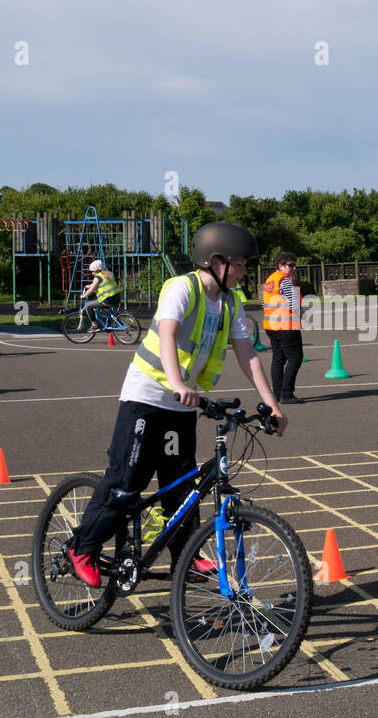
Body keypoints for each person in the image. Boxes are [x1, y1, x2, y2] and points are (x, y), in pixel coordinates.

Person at [66, 223, 287, 588]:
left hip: (183, 408)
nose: (246, 270)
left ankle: (186, 558)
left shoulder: (231, 302)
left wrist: (272, 405)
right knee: (126, 482)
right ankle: (83, 546)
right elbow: (167, 334)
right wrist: (178, 383)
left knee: (180, 485)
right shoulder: (182, 288)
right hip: (147, 396)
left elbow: (247, 356)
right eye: (242, 263)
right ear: (217, 261)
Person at [263, 251, 304, 403]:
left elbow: (263, 303)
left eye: (295, 265)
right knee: (295, 358)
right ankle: (286, 394)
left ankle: (278, 394)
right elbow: (294, 303)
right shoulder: (285, 280)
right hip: (286, 325)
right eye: (291, 265)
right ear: (281, 266)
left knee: (278, 359)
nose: (294, 268)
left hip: (271, 325)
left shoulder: (270, 280)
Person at [77, 259, 122, 331]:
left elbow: (92, 289)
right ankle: (111, 322)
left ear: (96, 270)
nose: (92, 273)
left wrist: (84, 296)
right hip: (116, 297)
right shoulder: (107, 274)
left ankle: (95, 326)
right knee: (102, 309)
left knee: (88, 306)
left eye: (92, 271)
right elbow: (97, 284)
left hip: (107, 299)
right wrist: (89, 286)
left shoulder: (98, 277)